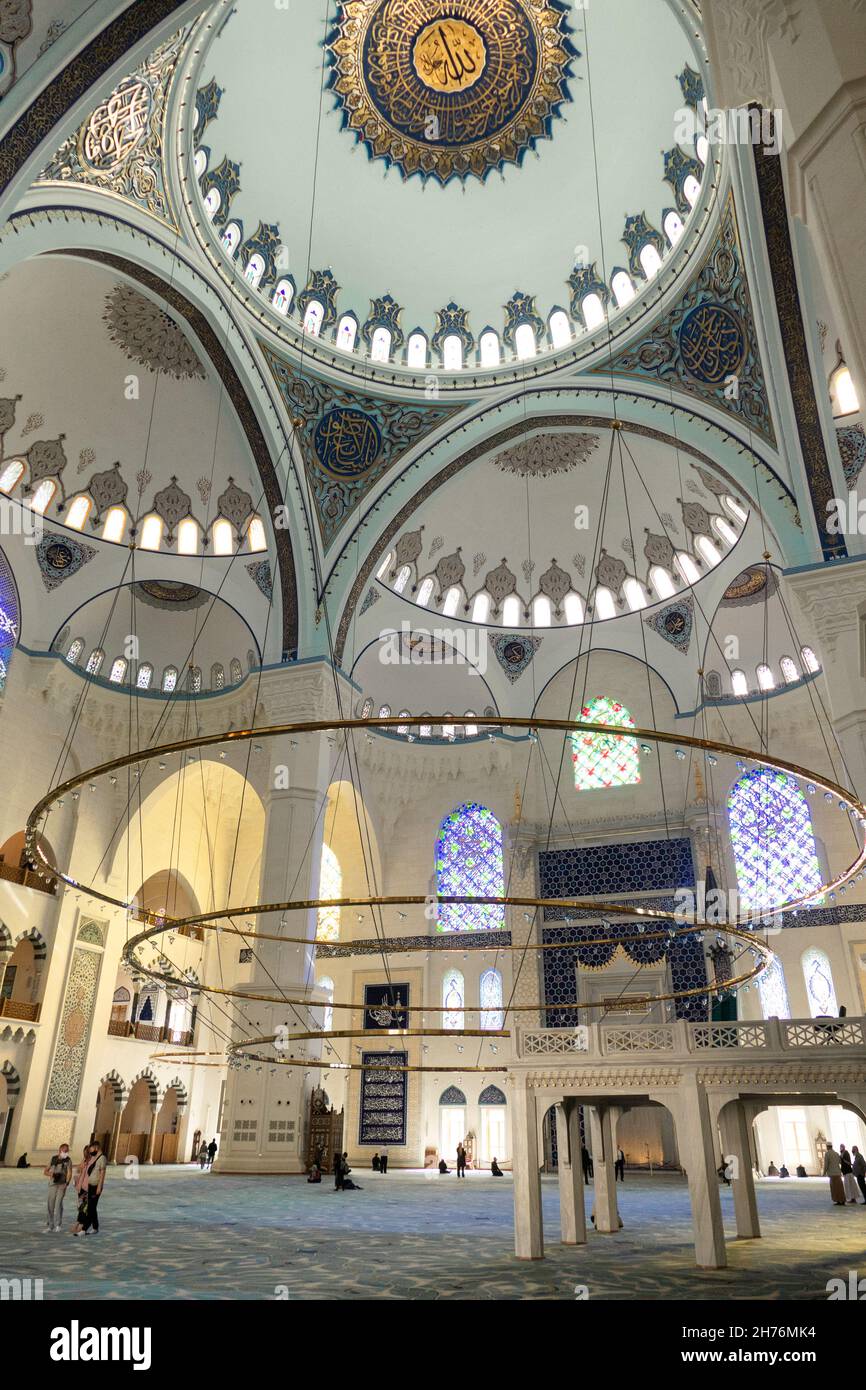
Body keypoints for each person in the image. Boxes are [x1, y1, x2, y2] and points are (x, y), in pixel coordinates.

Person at [76, 1142, 106, 1235]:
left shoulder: (102, 1158)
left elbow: (102, 1174)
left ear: (96, 1147)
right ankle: (95, 1227)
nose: (91, 1151)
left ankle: (84, 1230)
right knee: (92, 1208)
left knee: (90, 1208)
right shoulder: (96, 1157)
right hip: (90, 1185)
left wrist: (99, 1187)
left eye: (91, 1149)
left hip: (96, 1186)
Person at [43, 1143, 72, 1232]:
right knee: (50, 1204)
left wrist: (67, 1183)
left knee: (58, 1203)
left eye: (67, 1151)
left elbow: (69, 1172)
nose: (66, 1152)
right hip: (53, 1184)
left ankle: (58, 1224)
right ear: (60, 1150)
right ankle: (50, 1225)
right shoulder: (53, 1159)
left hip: (62, 1184)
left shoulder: (68, 1160)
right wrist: (51, 1174)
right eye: (65, 1151)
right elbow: (45, 1171)